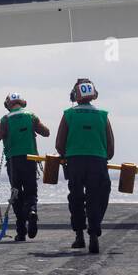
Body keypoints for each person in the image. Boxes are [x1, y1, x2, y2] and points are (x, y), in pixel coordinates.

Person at [54, 78, 114, 254]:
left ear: (75, 95)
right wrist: (102, 156)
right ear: (94, 95)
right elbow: (110, 148)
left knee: (76, 198)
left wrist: (68, 155)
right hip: (98, 162)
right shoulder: (103, 116)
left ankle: (79, 236)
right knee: (97, 196)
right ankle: (94, 232)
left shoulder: (68, 114)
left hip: (74, 162)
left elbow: (59, 144)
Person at [0, 92, 51, 241]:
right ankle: (31, 211)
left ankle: (21, 231)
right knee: (31, 192)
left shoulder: (6, 119)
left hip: (13, 163)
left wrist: (7, 133)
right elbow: (46, 132)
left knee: (16, 195)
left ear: (8, 105)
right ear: (22, 102)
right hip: (30, 160)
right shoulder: (31, 116)